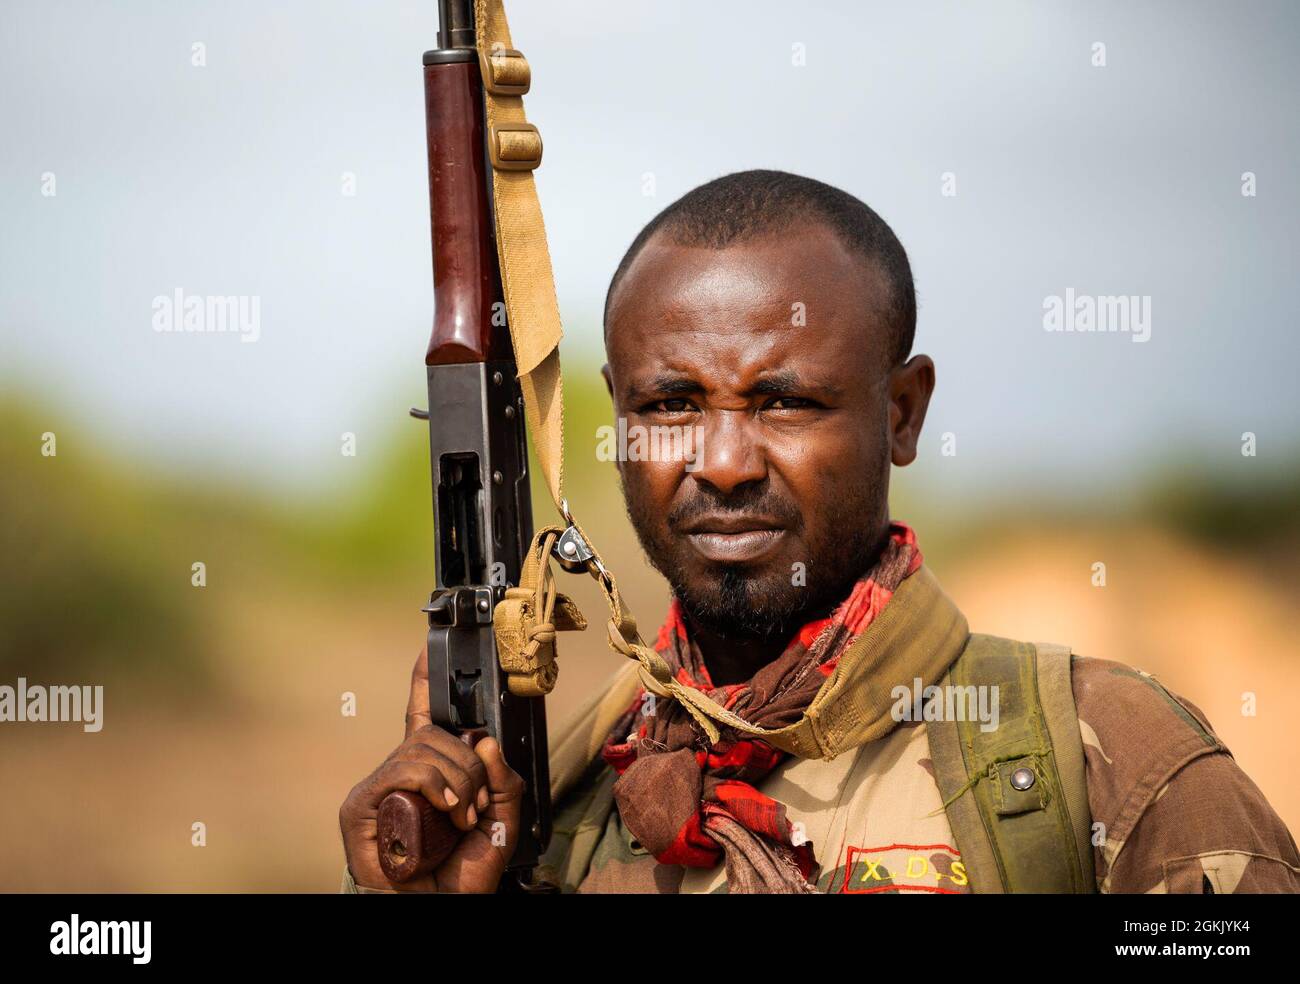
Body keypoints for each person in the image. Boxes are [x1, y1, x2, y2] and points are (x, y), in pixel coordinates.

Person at [340, 170, 1300, 894]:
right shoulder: (570, 806)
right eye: (671, 404)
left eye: (785, 401)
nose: (721, 461)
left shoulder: (1099, 767)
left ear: (902, 414)